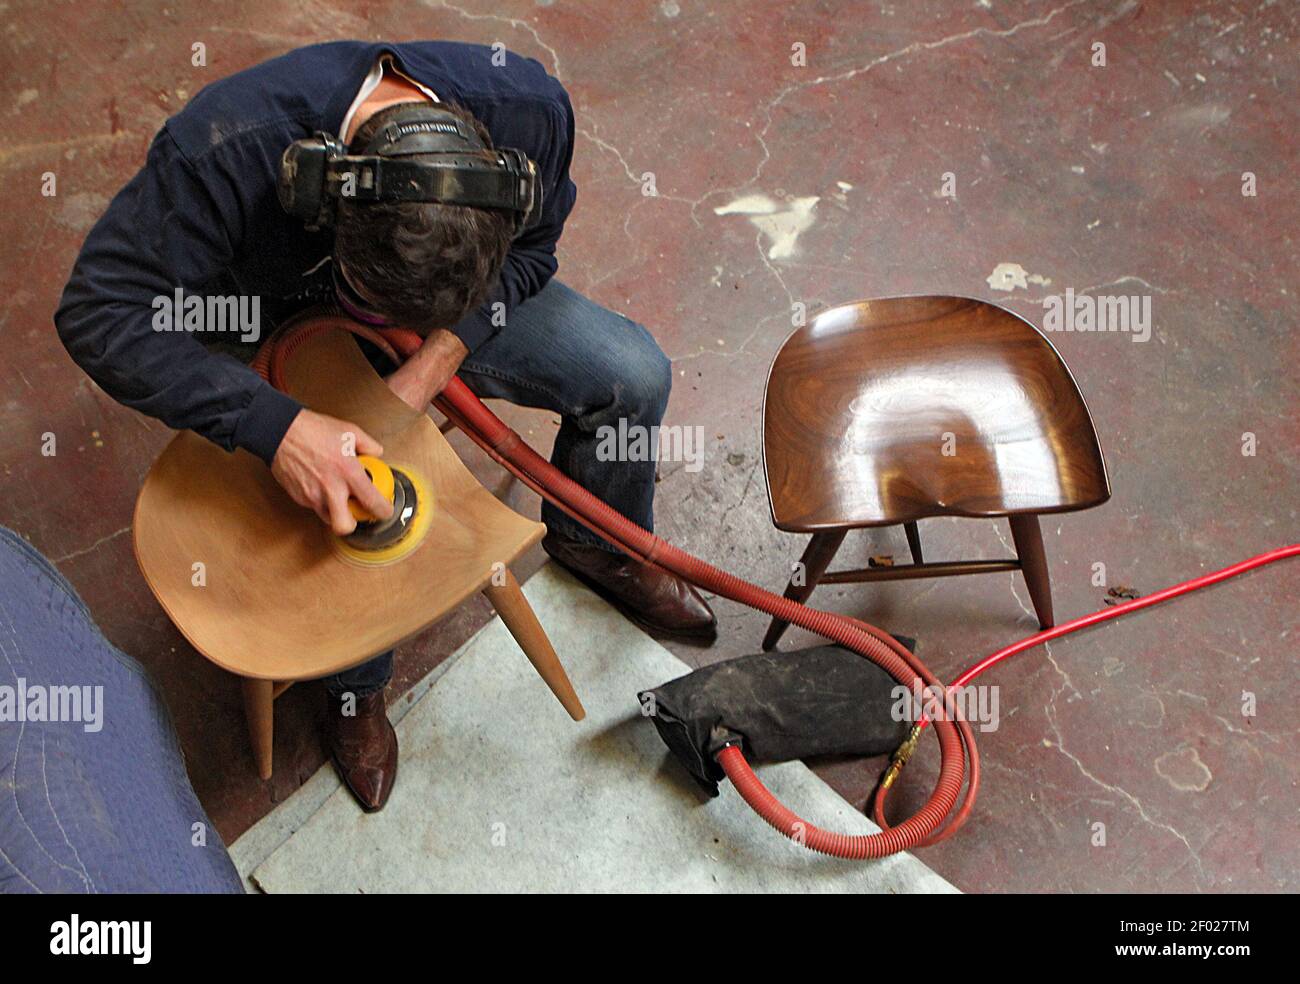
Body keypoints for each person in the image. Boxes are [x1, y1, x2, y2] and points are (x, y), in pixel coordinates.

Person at [56, 40, 715, 813]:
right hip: (266, 307)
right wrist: (278, 427)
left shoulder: (527, 114)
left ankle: (595, 542)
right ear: (325, 200)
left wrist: (438, 355)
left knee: (632, 374)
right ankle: (353, 686)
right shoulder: (225, 154)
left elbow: (532, 252)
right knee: (346, 513)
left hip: (457, 310)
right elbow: (98, 313)